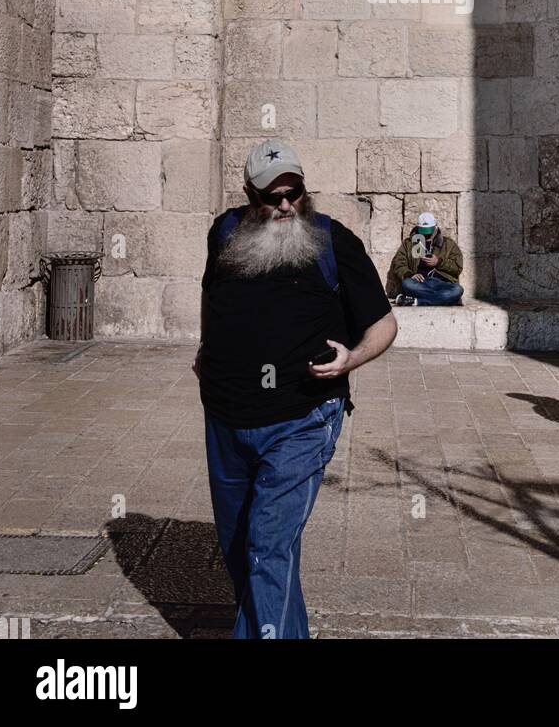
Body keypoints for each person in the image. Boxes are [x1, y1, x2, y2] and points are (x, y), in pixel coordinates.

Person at [194, 139, 397, 639]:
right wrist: (208, 350)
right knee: (241, 547)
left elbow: (384, 324)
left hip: (303, 420)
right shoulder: (224, 233)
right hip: (225, 417)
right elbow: (211, 296)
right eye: (272, 196)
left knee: (268, 545)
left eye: (294, 193)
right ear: (249, 194)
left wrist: (353, 358)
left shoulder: (333, 242)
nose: (285, 205)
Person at [389, 212, 464, 306]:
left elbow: (458, 267)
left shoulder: (449, 244)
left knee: (457, 289)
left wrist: (438, 262)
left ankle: (416, 301)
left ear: (436, 228)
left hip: (442, 284)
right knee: (407, 284)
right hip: (419, 283)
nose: (426, 235)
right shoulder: (409, 243)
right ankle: (446, 299)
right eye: (423, 231)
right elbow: (398, 263)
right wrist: (410, 274)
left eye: (429, 232)